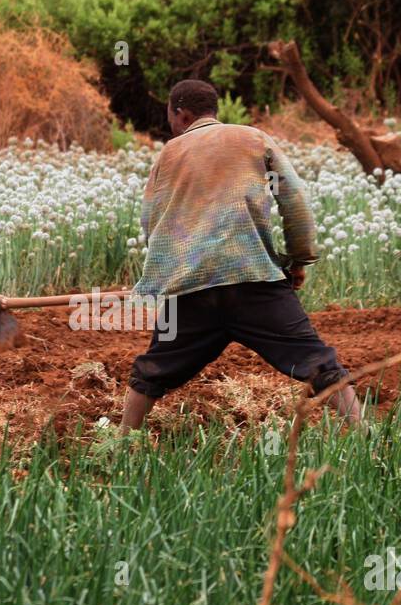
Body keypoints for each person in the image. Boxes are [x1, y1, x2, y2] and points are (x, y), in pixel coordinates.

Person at [120, 79, 363, 431]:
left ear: (181, 113)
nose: (171, 124)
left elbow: (152, 221)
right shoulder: (253, 139)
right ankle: (365, 434)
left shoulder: (169, 154)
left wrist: (166, 280)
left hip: (193, 291)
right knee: (318, 361)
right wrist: (299, 259)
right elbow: (294, 200)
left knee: (152, 369)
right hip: (254, 282)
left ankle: (122, 442)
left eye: (170, 116)